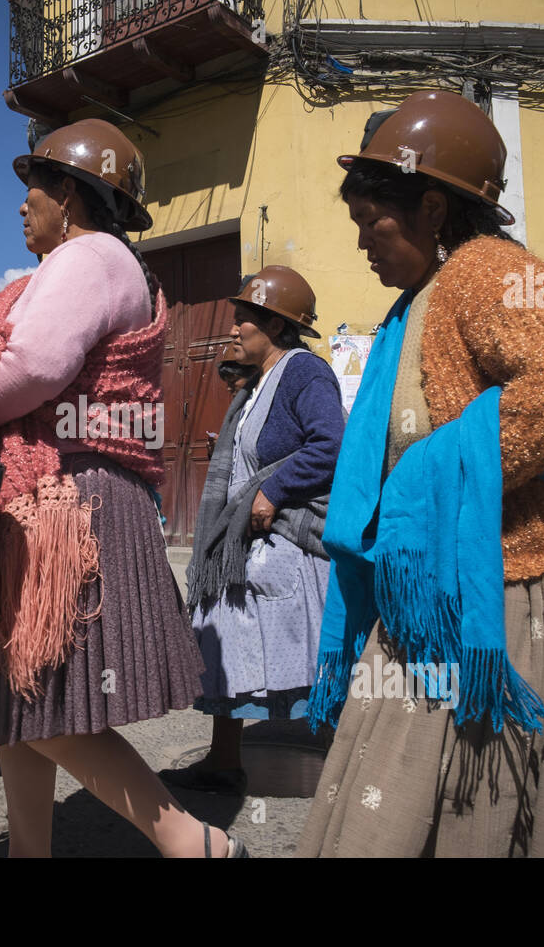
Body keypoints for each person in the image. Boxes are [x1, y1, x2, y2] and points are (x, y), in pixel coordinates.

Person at [297, 91, 544, 858]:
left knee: (486, 804)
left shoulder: (488, 270)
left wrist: (431, 475)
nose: (364, 244)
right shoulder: (423, 299)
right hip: (454, 574)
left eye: (372, 223)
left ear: (430, 206)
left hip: (531, 577)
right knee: (424, 797)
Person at [0, 119, 246, 856]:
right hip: (64, 489)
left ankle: (195, 844)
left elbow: (30, 368)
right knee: (16, 695)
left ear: (70, 193)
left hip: (61, 501)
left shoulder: (89, 256)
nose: (22, 207)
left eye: (33, 190)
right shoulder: (107, 264)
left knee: (47, 700)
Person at [163, 266, 342, 794]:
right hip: (243, 537)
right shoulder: (256, 381)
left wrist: (272, 490)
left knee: (305, 654)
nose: (235, 327)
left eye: (245, 318)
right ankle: (223, 760)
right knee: (227, 641)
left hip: (286, 535)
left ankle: (347, 762)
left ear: (279, 326)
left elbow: (330, 443)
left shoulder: (305, 372)